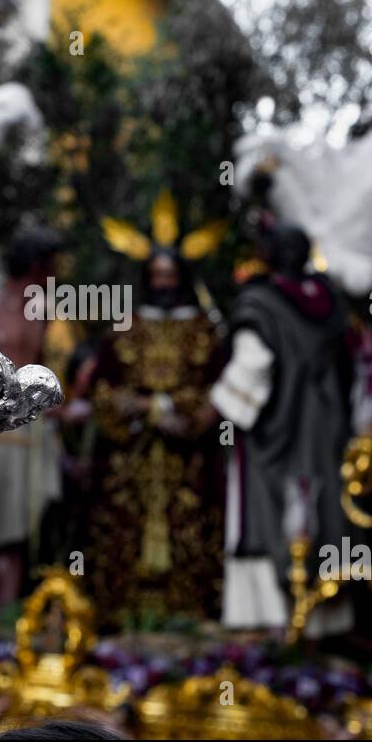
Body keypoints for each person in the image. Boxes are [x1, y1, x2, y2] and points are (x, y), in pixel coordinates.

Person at [209, 223, 351, 633]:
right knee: (322, 507)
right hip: (324, 427)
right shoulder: (330, 300)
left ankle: (273, 621)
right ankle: (323, 620)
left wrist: (216, 408)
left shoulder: (261, 304)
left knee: (270, 510)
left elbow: (252, 366)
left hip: (275, 431)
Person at [86, 244, 225, 628]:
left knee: (191, 524)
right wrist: (143, 409)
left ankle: (189, 611)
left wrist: (179, 412)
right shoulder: (124, 328)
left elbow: (217, 389)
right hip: (132, 451)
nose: (164, 284)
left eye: (170, 276)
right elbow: (101, 389)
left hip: (187, 453)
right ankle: (122, 612)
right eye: (157, 276)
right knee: (124, 524)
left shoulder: (205, 331)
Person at [0, 228, 65, 606]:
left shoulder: (46, 311)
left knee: (24, 525)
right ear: (36, 267)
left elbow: (56, 365)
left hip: (33, 427)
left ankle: (9, 613)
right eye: (50, 266)